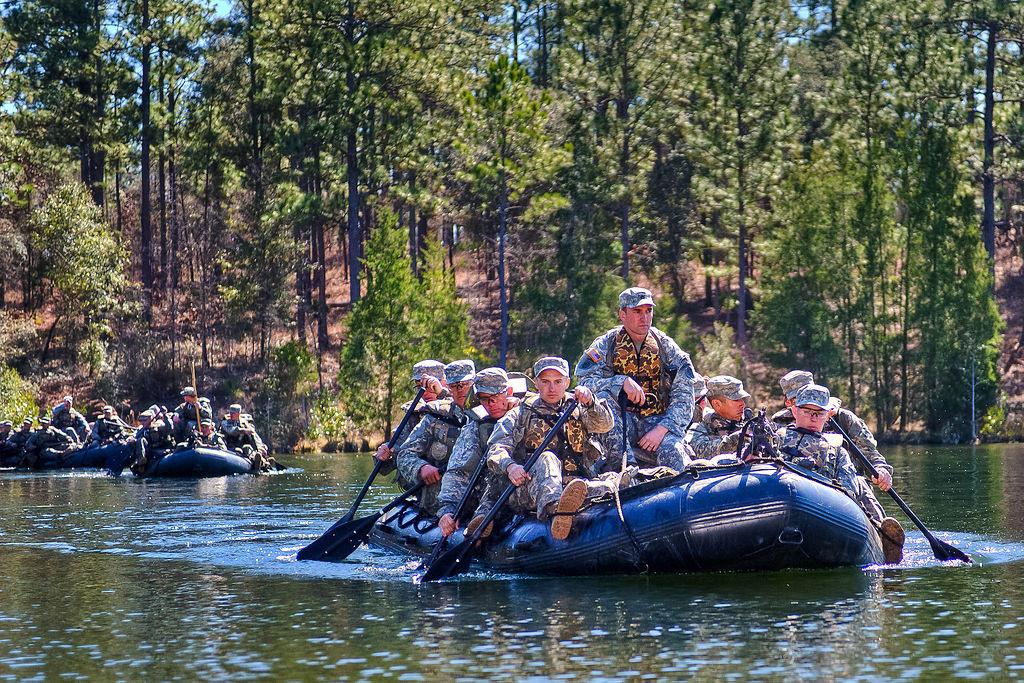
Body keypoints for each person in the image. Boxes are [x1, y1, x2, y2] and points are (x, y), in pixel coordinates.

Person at [469, 356, 619, 542]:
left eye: (558, 382)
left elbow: (605, 425)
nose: (552, 388)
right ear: (536, 383)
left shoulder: (579, 407)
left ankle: (573, 498)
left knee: (615, 479)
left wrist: (591, 402)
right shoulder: (520, 413)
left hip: (574, 482)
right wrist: (510, 467)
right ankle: (557, 509)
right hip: (531, 488)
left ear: (567, 382)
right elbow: (496, 448)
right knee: (547, 457)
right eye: (545, 382)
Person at [776, 383, 905, 564]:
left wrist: (881, 469)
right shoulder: (774, 437)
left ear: (827, 415)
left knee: (860, 486)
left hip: (825, 507)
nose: (813, 418)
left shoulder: (838, 444)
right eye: (807, 411)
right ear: (794, 410)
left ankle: (880, 535)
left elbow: (848, 490)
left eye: (819, 413)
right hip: (780, 501)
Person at [575, 287, 697, 471]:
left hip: (657, 422)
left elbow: (685, 395)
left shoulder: (665, 346)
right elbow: (585, 385)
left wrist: (662, 429)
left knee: (673, 451)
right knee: (603, 400)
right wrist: (620, 382)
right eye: (637, 311)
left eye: (648, 311)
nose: (644, 317)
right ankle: (626, 472)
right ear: (622, 314)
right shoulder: (606, 345)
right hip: (620, 423)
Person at [773, 369, 894, 523]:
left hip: (844, 480)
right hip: (792, 486)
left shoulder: (843, 419)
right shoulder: (778, 425)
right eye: (800, 398)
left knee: (861, 485)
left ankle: (881, 529)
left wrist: (881, 469)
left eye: (813, 395)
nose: (810, 399)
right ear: (789, 403)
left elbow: (870, 453)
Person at [436, 367, 519, 538]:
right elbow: (458, 470)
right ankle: (482, 522)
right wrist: (447, 509)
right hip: (495, 490)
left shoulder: (529, 412)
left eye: (496, 396)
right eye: (484, 398)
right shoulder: (476, 426)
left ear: (509, 392)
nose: (491, 403)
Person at [395, 360, 475, 514]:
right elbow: (404, 454)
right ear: (448, 387)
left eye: (465, 384)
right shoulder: (435, 417)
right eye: (454, 386)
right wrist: (421, 467)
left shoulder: (495, 411)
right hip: (440, 501)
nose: (460, 390)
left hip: (482, 501)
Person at [374, 360, 448, 468]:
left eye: (430, 385)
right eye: (419, 387)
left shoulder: (460, 410)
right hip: (419, 476)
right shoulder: (414, 414)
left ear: (444, 383)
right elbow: (396, 455)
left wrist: (442, 394)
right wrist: (386, 454)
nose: (424, 392)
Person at [686, 375, 750, 458]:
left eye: (742, 399)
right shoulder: (700, 428)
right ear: (717, 404)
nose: (742, 404)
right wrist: (739, 437)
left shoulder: (748, 423)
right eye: (736, 399)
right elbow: (701, 452)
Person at [221, 404, 269, 470]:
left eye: (233, 413)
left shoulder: (245, 423)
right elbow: (231, 431)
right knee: (238, 450)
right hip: (229, 447)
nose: (231, 415)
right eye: (230, 413)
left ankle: (257, 461)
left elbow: (254, 435)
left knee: (247, 447)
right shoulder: (225, 422)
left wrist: (260, 446)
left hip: (241, 446)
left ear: (238, 414)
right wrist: (243, 430)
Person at [130, 407, 175, 474]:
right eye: (141, 420)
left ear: (151, 419)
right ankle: (141, 462)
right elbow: (134, 435)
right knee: (140, 440)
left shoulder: (159, 425)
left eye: (144, 420)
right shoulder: (141, 429)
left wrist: (165, 415)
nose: (142, 422)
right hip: (149, 451)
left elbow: (169, 428)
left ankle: (143, 465)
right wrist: (132, 439)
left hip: (161, 449)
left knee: (141, 440)